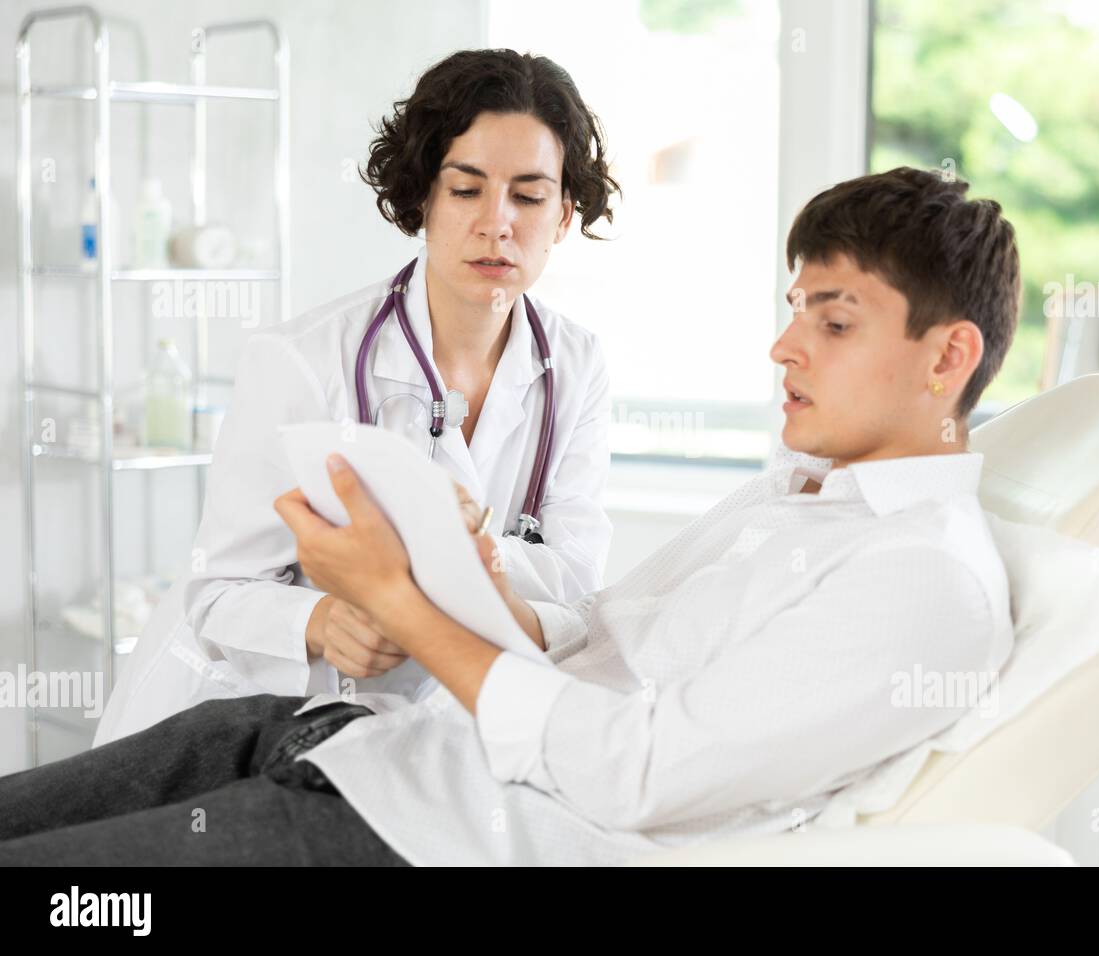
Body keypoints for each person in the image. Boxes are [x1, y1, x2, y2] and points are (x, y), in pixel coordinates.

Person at [2, 167, 1022, 865]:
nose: (782, 347)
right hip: (354, 741)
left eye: (832, 319)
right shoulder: (791, 497)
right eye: (794, 308)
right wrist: (473, 574)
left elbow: (639, 772)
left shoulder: (923, 580)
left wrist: (400, 603)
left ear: (947, 356)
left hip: (417, 833)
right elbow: (598, 628)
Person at [94, 49, 621, 745]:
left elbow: (576, 588)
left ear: (562, 217)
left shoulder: (576, 366)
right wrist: (317, 624)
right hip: (245, 719)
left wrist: (443, 548)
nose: (497, 222)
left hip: (434, 729)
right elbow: (215, 593)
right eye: (465, 190)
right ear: (422, 200)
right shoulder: (303, 361)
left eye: (528, 195)